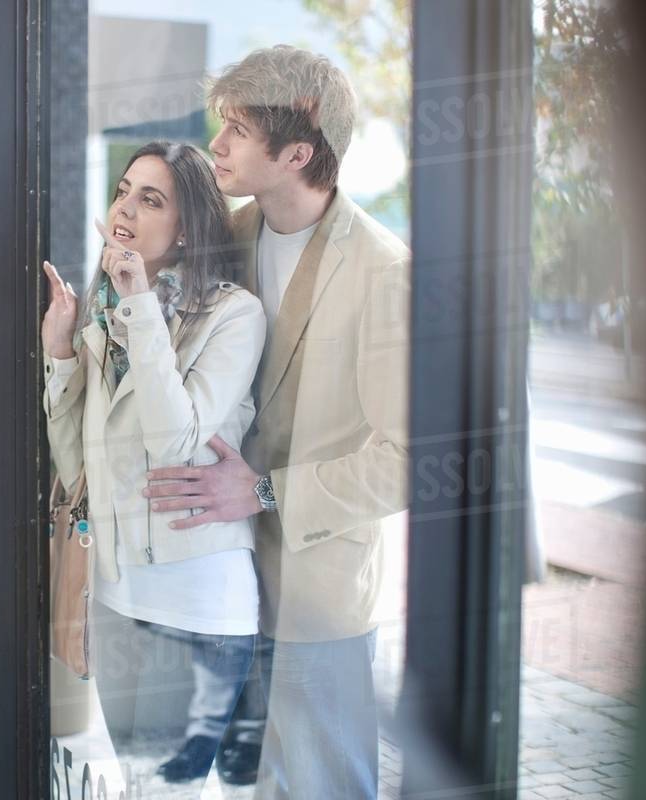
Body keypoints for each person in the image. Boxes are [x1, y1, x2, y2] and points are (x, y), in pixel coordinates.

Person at [144, 46, 412, 799]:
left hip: (317, 585)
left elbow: (405, 460)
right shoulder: (220, 235)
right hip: (218, 570)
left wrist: (262, 492)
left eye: (235, 130)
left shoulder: (386, 274)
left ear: (297, 152)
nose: (216, 146)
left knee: (327, 783)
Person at [41, 141, 265, 791]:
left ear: (189, 227)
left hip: (200, 604)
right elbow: (77, 461)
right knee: (138, 786)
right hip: (116, 593)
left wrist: (139, 305)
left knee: (171, 791)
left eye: (151, 198)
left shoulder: (232, 315)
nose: (126, 208)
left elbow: (176, 440)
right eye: (123, 190)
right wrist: (60, 353)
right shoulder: (106, 317)